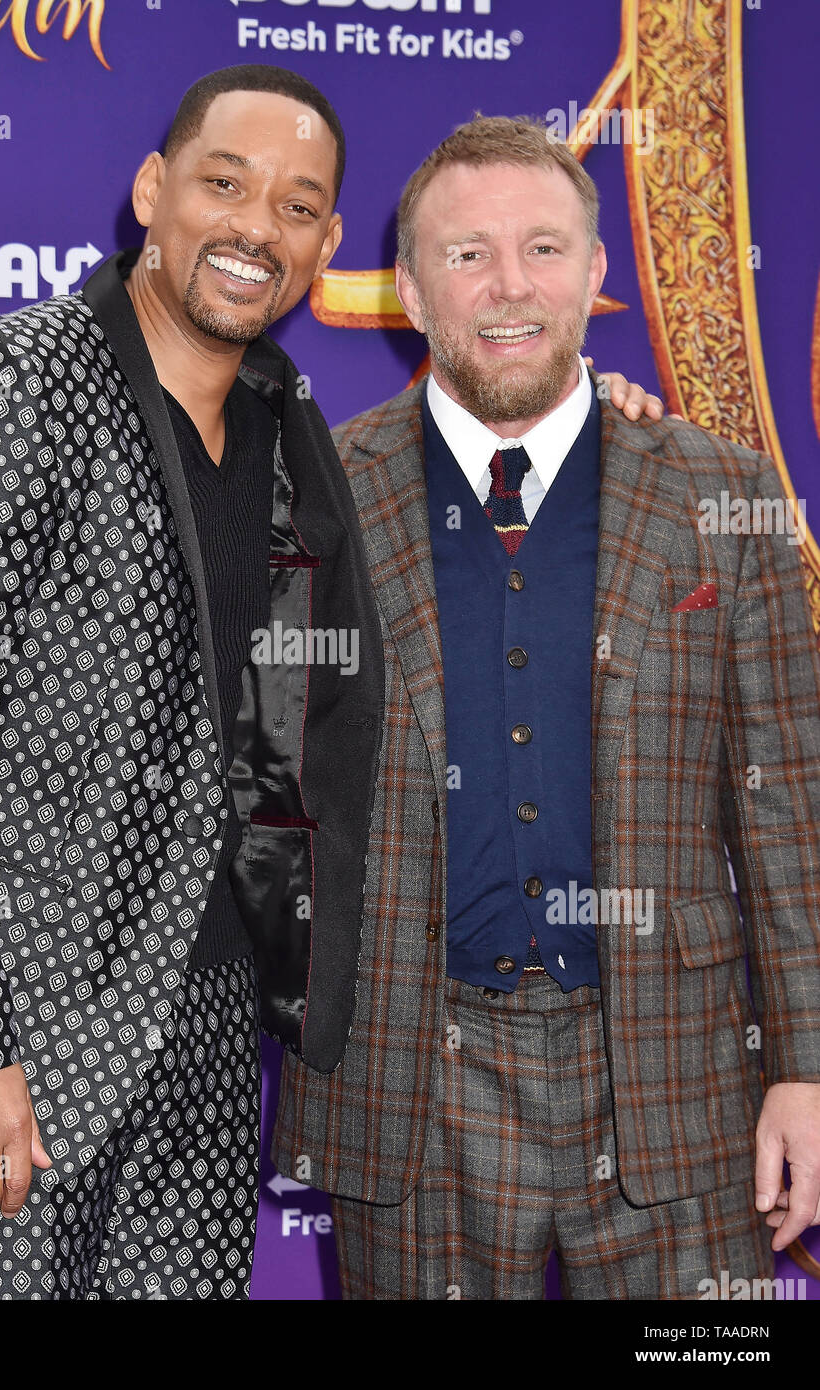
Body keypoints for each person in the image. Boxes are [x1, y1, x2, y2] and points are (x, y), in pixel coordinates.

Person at [0, 70, 658, 1301]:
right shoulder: (11, 383)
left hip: (203, 1038)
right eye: (224, 183)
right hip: (9, 1045)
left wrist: (604, 418)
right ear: (153, 192)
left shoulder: (287, 429)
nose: (258, 225)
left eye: (299, 206)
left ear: (322, 249)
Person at [274, 113, 820, 1300]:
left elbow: (789, 803)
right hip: (411, 1085)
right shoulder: (312, 493)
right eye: (466, 255)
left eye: (542, 249)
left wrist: (808, 1066)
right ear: (410, 290)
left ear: (595, 273)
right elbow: (256, 780)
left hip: (678, 1080)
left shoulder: (721, 492)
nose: (508, 286)